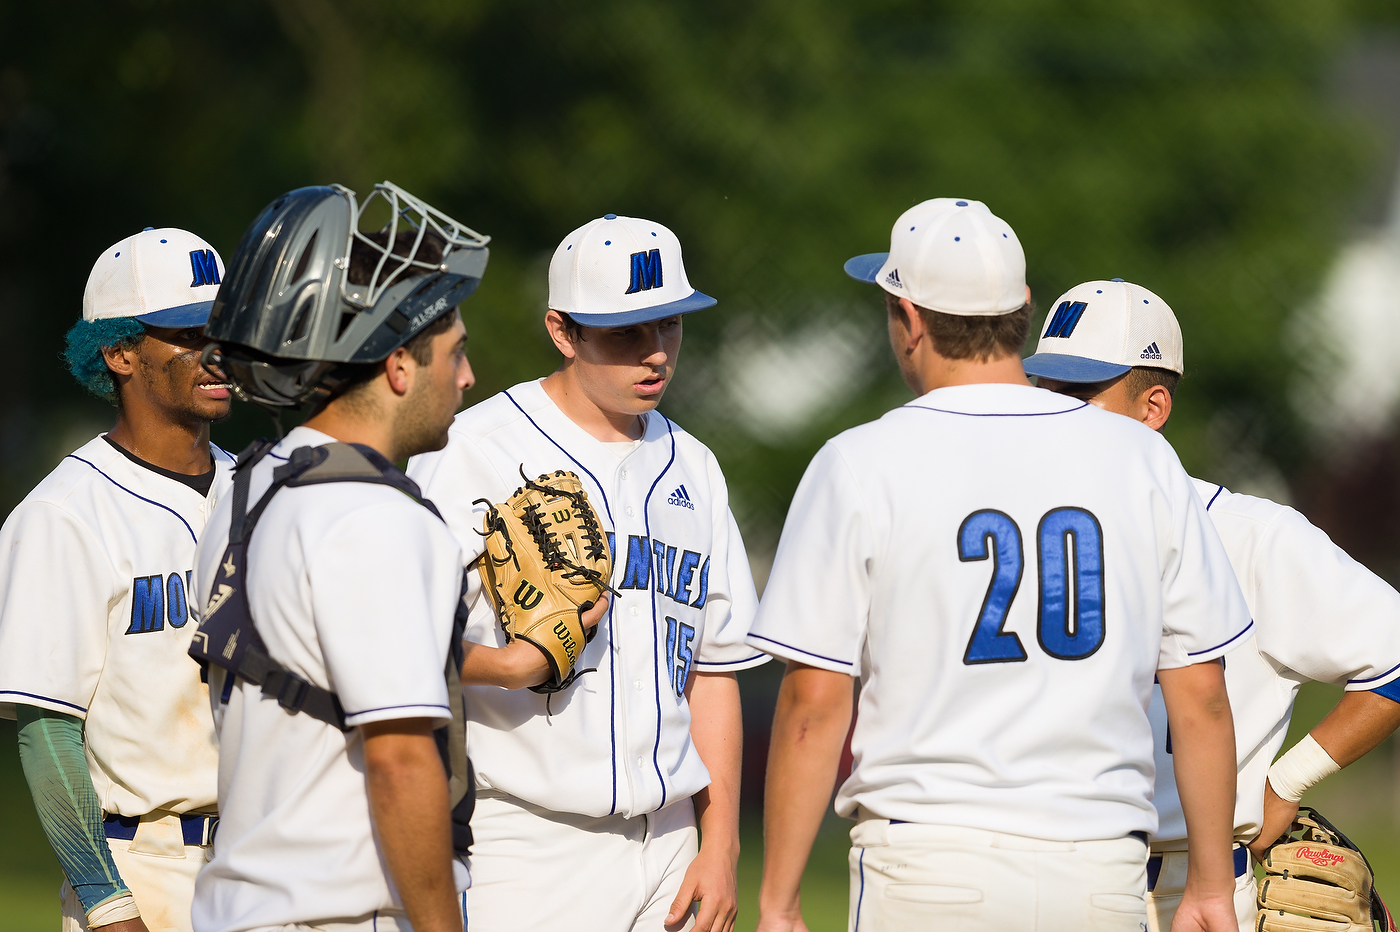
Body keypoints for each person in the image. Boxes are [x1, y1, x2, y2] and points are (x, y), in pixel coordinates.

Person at [747, 198, 1252, 932]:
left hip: (928, 866)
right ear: (1021, 306)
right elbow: (1200, 696)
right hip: (1100, 869)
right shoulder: (1144, 459)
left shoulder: (859, 461)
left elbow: (814, 705)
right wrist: (1209, 887)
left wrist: (779, 900)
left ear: (909, 318)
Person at [406, 213, 766, 932]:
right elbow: (390, 643)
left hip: (671, 842)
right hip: (528, 844)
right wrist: (507, 665)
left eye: (669, 324)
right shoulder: (471, 452)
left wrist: (720, 843)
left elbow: (715, 671)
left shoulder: (694, 465)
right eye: (625, 333)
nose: (656, 352)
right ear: (563, 331)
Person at [1024, 278, 1400, 932]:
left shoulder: (1252, 535)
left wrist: (1287, 782)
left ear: (1153, 406)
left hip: (1198, 894)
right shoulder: (1008, 531)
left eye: (1083, 392)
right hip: (1042, 883)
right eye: (1049, 388)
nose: (1057, 409)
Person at [188, 182, 493, 932]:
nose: (467, 377)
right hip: (335, 915)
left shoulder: (250, 486)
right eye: (453, 354)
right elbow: (399, 760)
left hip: (241, 904)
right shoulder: (378, 519)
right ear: (397, 367)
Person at [0, 227, 233, 932]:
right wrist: (106, 903)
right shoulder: (64, 515)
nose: (217, 353)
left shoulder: (262, 488)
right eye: (190, 333)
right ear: (121, 351)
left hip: (269, 863)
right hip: (145, 868)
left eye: (226, 329)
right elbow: (47, 731)